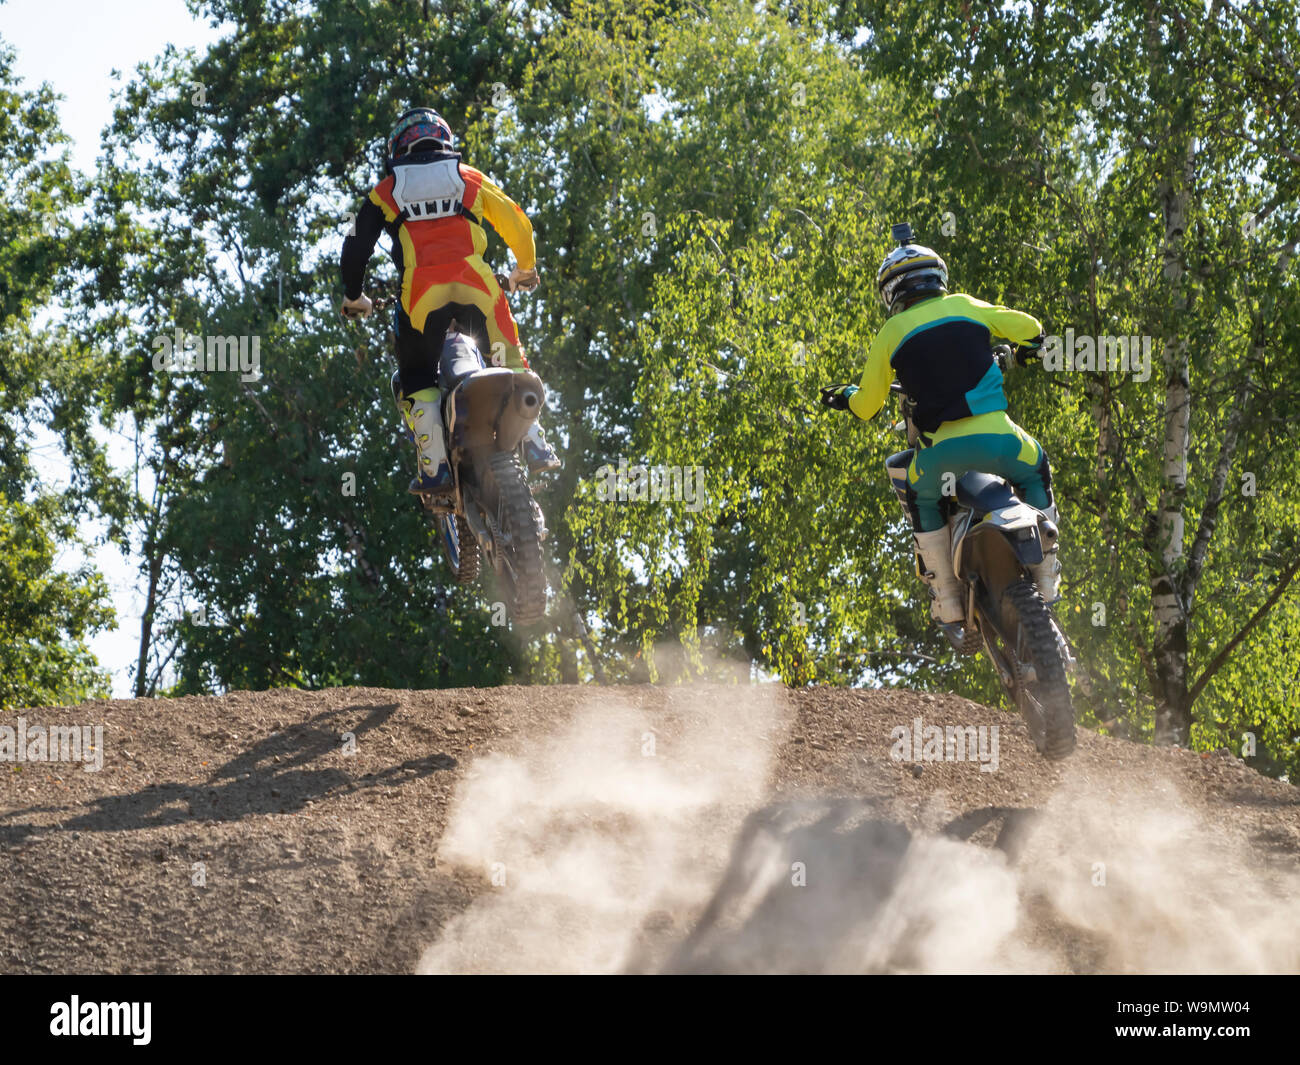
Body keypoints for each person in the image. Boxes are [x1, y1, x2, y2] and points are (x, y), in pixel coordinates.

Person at [820, 223, 1060, 624]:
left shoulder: (891, 332)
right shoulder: (965, 305)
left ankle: (947, 597)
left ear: (891, 292)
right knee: (1036, 470)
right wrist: (1026, 351)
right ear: (938, 277)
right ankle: (1047, 578)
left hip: (940, 456)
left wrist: (845, 396)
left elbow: (867, 407)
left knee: (921, 495)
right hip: (1001, 441)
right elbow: (1032, 328)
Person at [339, 107, 559, 500]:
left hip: (421, 296)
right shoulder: (467, 176)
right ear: (445, 141)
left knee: (418, 378)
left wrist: (355, 296)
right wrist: (524, 269)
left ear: (397, 150)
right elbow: (517, 223)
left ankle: (435, 464)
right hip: (479, 287)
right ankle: (535, 441)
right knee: (510, 360)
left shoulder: (386, 191)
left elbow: (355, 247)